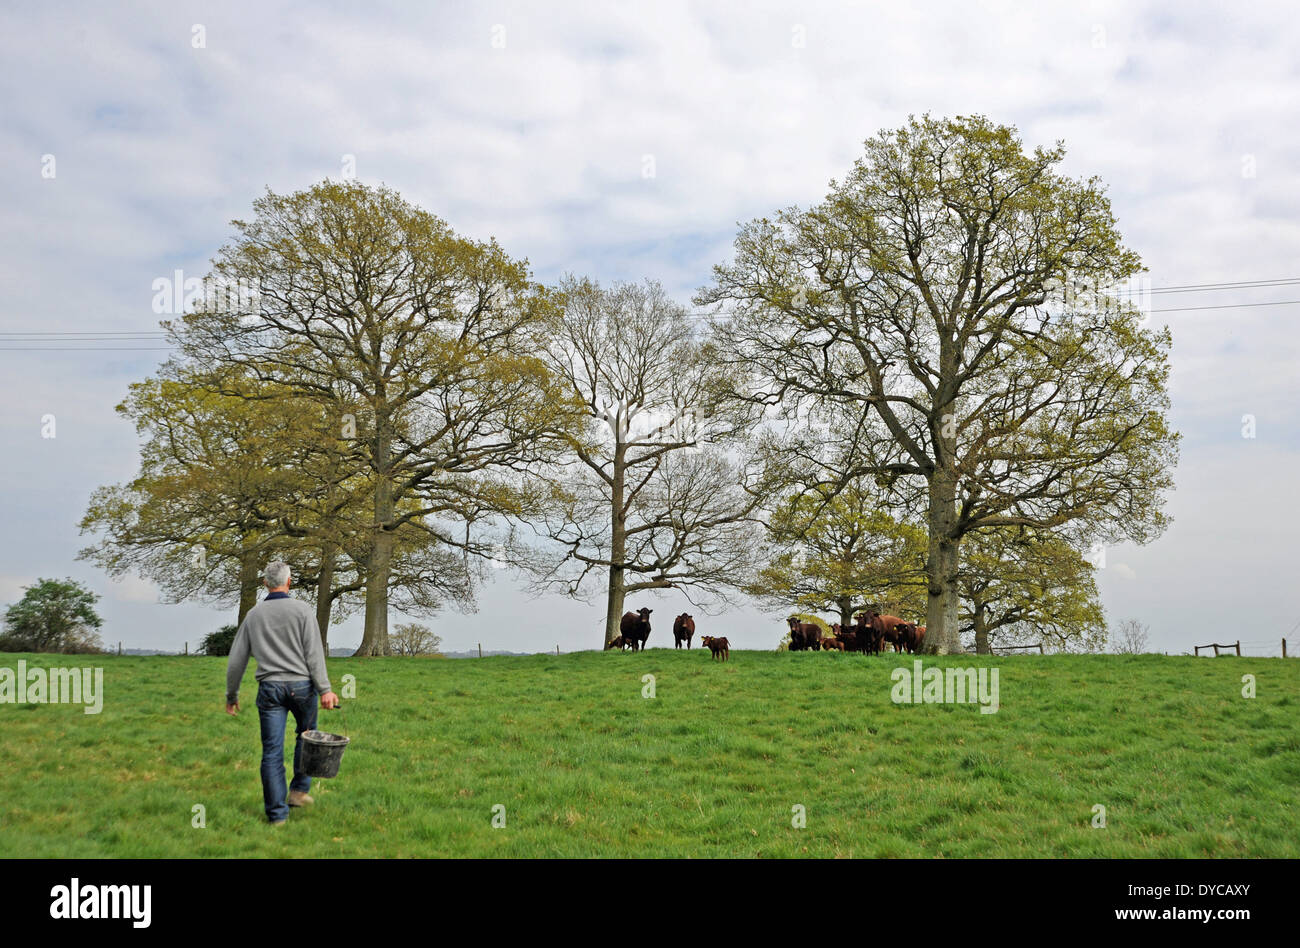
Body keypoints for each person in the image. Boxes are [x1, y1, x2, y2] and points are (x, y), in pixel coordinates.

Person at [225, 561, 339, 824]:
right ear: (289, 583)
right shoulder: (302, 610)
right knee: (307, 738)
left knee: (272, 752)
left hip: (270, 689)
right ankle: (298, 791)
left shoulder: (254, 615)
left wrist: (232, 695)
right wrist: (326, 689)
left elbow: (237, 660)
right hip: (302, 686)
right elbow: (314, 653)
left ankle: (277, 815)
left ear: (265, 584)